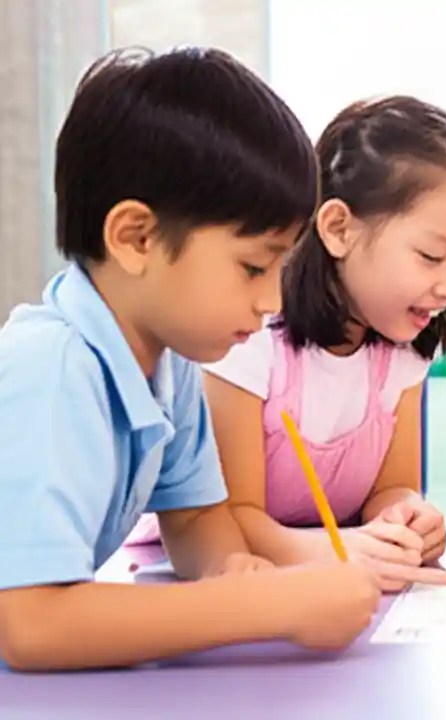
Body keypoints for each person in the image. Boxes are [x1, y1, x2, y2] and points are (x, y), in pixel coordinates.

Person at [0, 48, 378, 671]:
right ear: (136, 238)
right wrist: (265, 608)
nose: (272, 299)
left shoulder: (167, 365)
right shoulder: (54, 368)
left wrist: (236, 571)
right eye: (254, 266)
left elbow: (196, 514)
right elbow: (32, 623)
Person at [202, 96, 446, 592]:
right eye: (432, 256)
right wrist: (336, 551)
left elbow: (388, 488)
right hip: (231, 588)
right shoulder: (249, 340)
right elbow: (229, 518)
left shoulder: (401, 350)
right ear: (338, 229)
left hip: (335, 597)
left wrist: (406, 518)